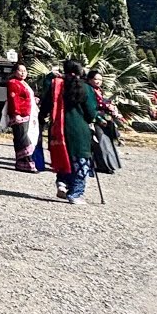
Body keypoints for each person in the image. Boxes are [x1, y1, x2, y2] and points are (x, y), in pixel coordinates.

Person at [49, 60, 99, 205]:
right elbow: (91, 112)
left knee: (64, 156)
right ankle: (75, 193)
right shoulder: (86, 88)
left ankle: (62, 182)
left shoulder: (57, 85)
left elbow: (46, 101)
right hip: (79, 128)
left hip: (59, 126)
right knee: (80, 160)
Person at [3, 62, 40, 173]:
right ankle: (28, 163)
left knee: (25, 137)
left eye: (25, 71)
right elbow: (13, 99)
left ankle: (22, 164)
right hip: (19, 115)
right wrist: (16, 113)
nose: (23, 73)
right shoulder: (13, 83)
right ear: (15, 72)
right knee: (23, 139)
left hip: (28, 114)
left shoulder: (24, 83)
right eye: (21, 70)